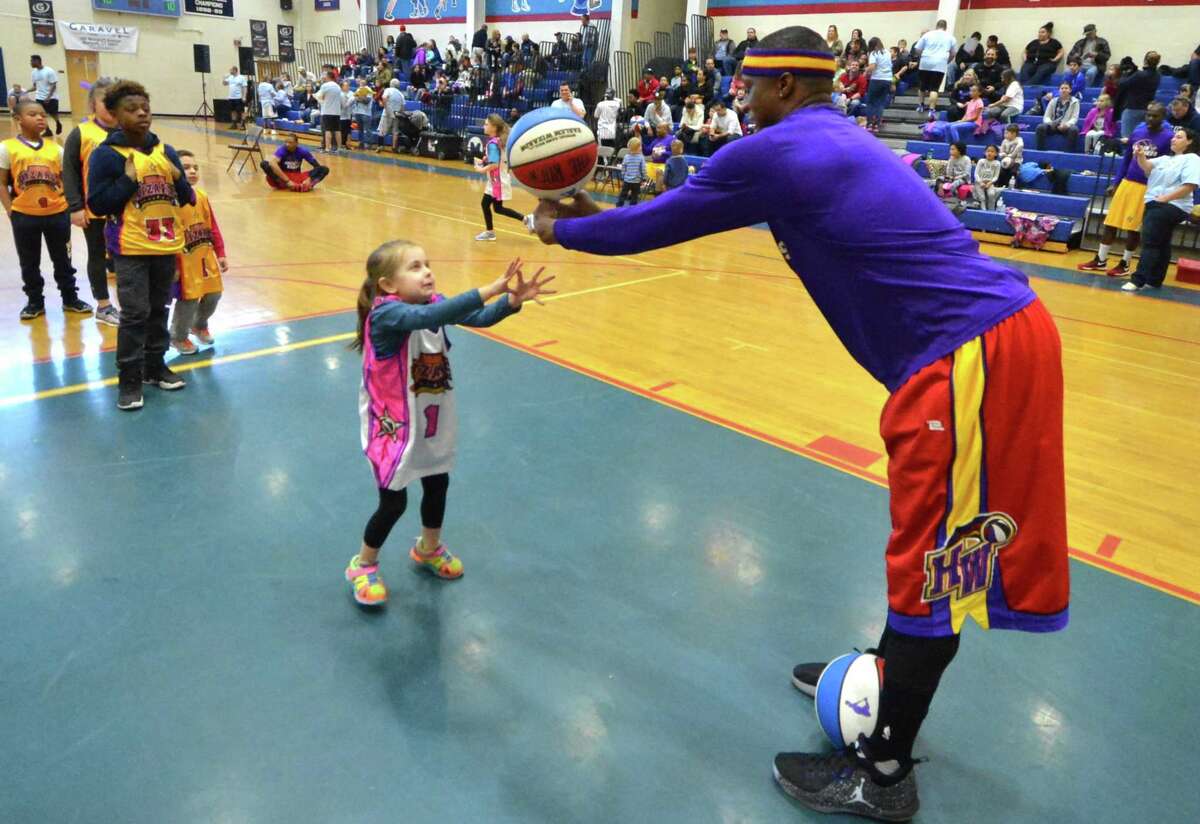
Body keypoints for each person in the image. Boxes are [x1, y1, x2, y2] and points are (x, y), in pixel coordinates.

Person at [531, 27, 1069, 823]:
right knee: (925, 543)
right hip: (981, 343)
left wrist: (561, 226)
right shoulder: (822, 138)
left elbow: (650, 229)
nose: (739, 100)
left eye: (750, 87)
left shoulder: (775, 151)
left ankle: (883, 774)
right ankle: (884, 671)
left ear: (785, 86)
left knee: (933, 558)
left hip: (970, 355)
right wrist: (594, 209)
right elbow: (666, 210)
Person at [346, 245, 554, 606]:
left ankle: (428, 549)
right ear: (388, 284)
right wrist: (489, 288)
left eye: (428, 264)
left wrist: (511, 302)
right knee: (393, 503)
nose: (427, 271)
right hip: (393, 426)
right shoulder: (387, 316)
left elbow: (479, 318)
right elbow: (434, 315)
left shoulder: (431, 305)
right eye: (415, 267)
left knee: (437, 484)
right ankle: (363, 564)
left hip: (430, 416)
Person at [86, 80, 195, 411]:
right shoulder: (107, 154)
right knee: (135, 314)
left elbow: (187, 198)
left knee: (159, 309)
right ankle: (129, 378)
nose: (142, 113)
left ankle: (154, 365)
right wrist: (128, 180)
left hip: (165, 245)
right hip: (130, 246)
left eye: (145, 107)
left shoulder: (166, 151)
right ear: (115, 115)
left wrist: (177, 176)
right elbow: (99, 204)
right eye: (132, 109)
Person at [0, 100, 91, 321]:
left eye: (42, 114)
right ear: (18, 119)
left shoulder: (56, 149)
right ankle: (35, 301)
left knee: (63, 260)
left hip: (57, 213)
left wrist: (70, 207)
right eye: (33, 114)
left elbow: (69, 180)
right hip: (24, 215)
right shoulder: (7, 148)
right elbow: (2, 182)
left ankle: (70, 298)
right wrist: (11, 210)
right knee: (29, 262)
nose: (41, 118)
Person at [1078, 102, 1173, 276]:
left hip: (1147, 187)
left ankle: (1125, 263)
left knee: (1133, 227)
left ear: (1163, 117)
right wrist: (1116, 182)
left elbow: (1168, 166)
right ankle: (1101, 259)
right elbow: (1126, 159)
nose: (1151, 118)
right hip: (1127, 183)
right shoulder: (1137, 132)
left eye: (1155, 115)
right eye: (1148, 115)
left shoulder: (1168, 137)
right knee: (1111, 222)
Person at [62, 77, 121, 327]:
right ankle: (104, 305)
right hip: (94, 209)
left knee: (126, 257)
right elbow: (70, 171)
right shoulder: (82, 133)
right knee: (97, 254)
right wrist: (75, 207)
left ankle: (130, 301)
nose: (109, 105)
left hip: (126, 210)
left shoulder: (129, 132)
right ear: (92, 105)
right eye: (103, 100)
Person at [1122, 128, 1200, 292]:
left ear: (1189, 141)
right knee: (1162, 241)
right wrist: (1140, 155)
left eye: (1179, 137)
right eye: (1173, 137)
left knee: (1150, 241)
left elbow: (1189, 186)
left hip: (1172, 205)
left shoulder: (1192, 159)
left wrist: (1165, 198)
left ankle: (1138, 280)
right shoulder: (1165, 159)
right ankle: (1155, 279)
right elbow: (1147, 166)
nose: (1173, 140)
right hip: (1155, 203)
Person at [169, 150, 225, 355]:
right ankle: (178, 336)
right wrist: (172, 264)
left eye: (195, 167)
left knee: (214, 294)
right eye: (186, 168)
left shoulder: (201, 196)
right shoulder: (171, 200)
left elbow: (213, 227)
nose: (192, 171)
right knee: (189, 299)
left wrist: (221, 253)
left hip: (205, 255)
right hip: (184, 259)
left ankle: (199, 324)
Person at [474, 114, 524, 242]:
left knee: (485, 204)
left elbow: (494, 164)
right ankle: (525, 219)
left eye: (486, 124)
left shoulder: (493, 143)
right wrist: (486, 159)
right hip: (499, 178)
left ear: (494, 127)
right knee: (498, 208)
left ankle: (490, 232)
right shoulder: (500, 140)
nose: (484, 126)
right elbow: (499, 158)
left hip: (497, 181)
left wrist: (481, 169)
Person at [911, 19, 956, 113]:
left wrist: (922, 57)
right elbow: (953, 53)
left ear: (936, 26)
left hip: (925, 62)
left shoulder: (928, 34)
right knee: (934, 88)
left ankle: (920, 105)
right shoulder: (951, 37)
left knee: (922, 86)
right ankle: (932, 109)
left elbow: (917, 49)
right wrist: (946, 61)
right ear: (946, 27)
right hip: (940, 64)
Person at [261, 132, 330, 191]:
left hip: (298, 177)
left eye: (290, 142)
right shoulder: (282, 149)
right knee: (264, 164)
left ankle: (308, 185)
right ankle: (284, 184)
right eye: (286, 142)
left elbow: (317, 166)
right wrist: (287, 181)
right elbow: (272, 163)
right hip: (283, 178)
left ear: (296, 143)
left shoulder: (303, 151)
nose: (287, 144)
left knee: (324, 169)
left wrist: (310, 179)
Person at [1116, 52, 1162, 138]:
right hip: (1147, 109)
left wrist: (1126, 73)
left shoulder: (1139, 74)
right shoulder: (1158, 76)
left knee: (1127, 138)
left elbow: (1122, 84)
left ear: (1145, 61)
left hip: (1132, 108)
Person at [1035, 83, 1081, 150]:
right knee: (1040, 127)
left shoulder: (1075, 102)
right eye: (1062, 88)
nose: (1064, 90)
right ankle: (1040, 150)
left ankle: (1070, 153)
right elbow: (1046, 116)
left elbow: (1074, 118)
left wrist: (1067, 125)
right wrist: (1051, 123)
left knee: (1074, 130)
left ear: (1070, 90)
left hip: (1066, 126)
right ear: (1059, 90)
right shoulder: (1053, 101)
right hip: (1053, 125)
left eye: (1066, 88)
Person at [29, 55, 62, 137]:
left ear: (37, 61)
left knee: (53, 114)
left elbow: (53, 85)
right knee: (41, 115)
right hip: (39, 97)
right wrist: (26, 91)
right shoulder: (33, 73)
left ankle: (58, 123)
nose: (30, 63)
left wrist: (48, 97)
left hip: (51, 97)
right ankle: (48, 130)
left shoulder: (49, 71)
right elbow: (35, 86)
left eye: (32, 61)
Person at [316, 71, 343, 153]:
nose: (324, 77)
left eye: (325, 75)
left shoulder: (325, 85)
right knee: (337, 130)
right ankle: (339, 148)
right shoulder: (338, 86)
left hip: (327, 111)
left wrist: (318, 98)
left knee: (328, 130)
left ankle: (327, 148)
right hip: (337, 112)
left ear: (328, 76)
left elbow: (319, 96)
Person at [616, 137, 647, 207]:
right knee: (634, 195)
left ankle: (619, 206)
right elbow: (643, 169)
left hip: (627, 180)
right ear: (638, 148)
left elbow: (623, 167)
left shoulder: (626, 156)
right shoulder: (641, 157)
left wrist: (623, 176)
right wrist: (644, 178)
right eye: (640, 146)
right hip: (636, 181)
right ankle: (632, 208)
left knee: (623, 194)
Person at [973, 143, 1002, 210]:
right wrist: (980, 182)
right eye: (988, 151)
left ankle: (991, 209)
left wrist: (990, 183)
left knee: (991, 194)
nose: (989, 153)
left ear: (996, 154)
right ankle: (984, 210)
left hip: (990, 183)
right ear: (985, 152)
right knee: (982, 197)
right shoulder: (981, 161)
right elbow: (976, 174)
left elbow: (996, 176)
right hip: (979, 182)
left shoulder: (997, 163)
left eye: (992, 151)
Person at [996, 123, 1025, 188]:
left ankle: (1012, 186)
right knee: (1001, 172)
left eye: (1007, 133)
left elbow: (1020, 145)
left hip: (1016, 161)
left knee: (1013, 172)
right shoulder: (1004, 141)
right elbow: (1001, 152)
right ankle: (1000, 186)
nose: (1004, 135)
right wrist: (1003, 154)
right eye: (1004, 133)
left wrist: (1012, 155)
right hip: (1005, 161)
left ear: (1014, 134)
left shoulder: (1019, 139)